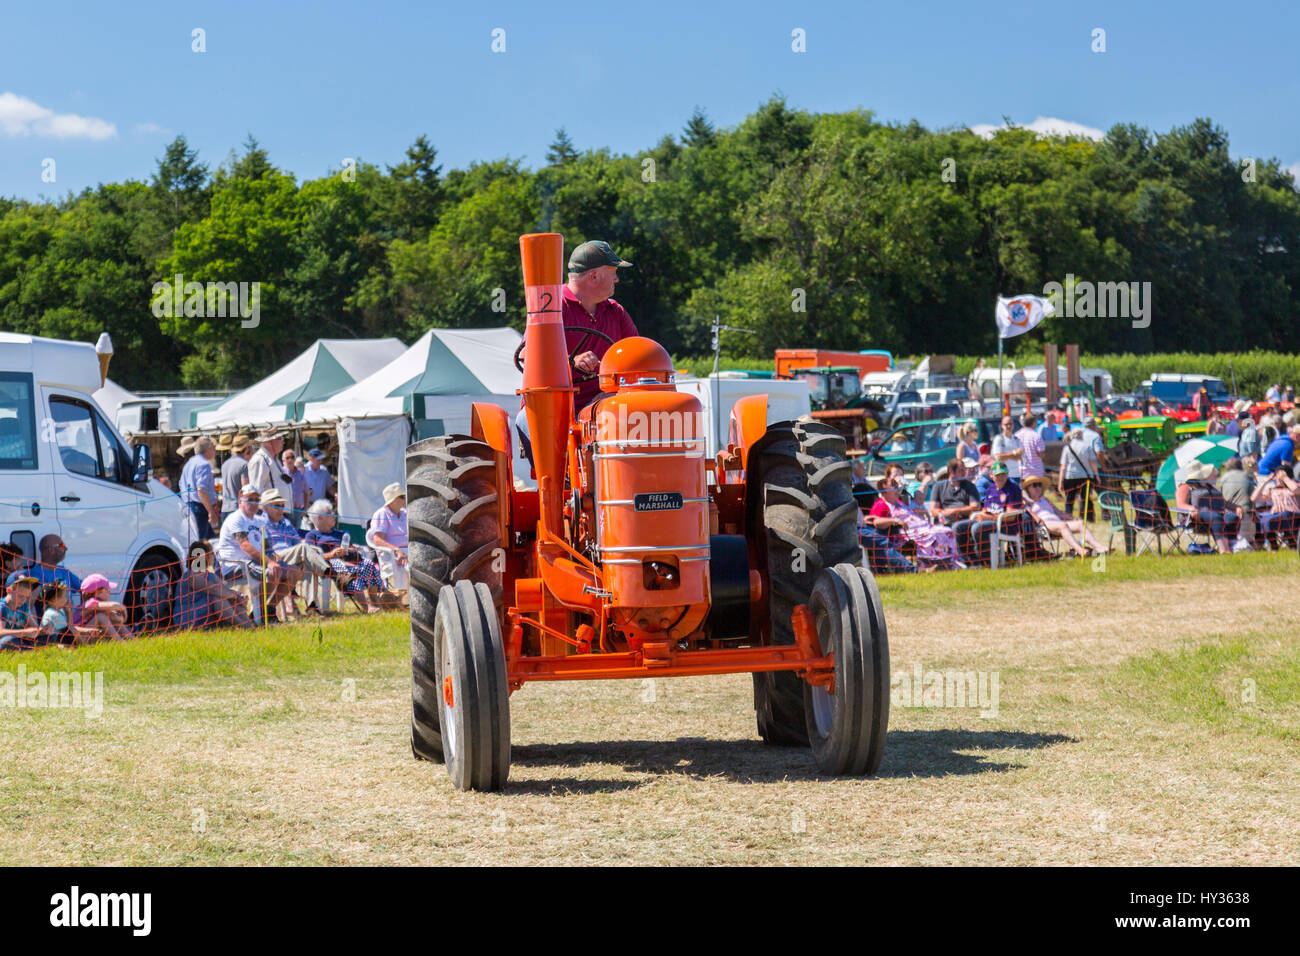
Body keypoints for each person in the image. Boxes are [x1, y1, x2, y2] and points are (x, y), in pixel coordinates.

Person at [515, 240, 638, 461]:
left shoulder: (615, 312)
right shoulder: (552, 304)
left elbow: (638, 356)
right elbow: (526, 354)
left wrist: (611, 393)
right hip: (555, 406)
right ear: (594, 276)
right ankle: (554, 486)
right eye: (614, 273)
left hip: (603, 402)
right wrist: (570, 361)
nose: (617, 279)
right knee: (533, 420)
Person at [216, 487, 293, 622]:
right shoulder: (236, 518)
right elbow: (245, 545)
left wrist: (274, 557)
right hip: (235, 565)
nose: (253, 503)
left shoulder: (260, 521)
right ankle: (261, 615)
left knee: (293, 572)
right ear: (240, 499)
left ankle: (267, 609)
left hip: (255, 563)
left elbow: (267, 547)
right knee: (272, 572)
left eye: (256, 500)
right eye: (249, 499)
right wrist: (269, 562)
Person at [255, 490, 328, 620]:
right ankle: (330, 572)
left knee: (308, 564)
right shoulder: (260, 523)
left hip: (292, 557)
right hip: (273, 558)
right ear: (265, 508)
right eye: (276, 506)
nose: (280, 509)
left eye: (282, 506)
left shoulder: (286, 523)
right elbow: (261, 548)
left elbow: (297, 543)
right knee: (304, 549)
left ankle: (312, 607)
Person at [303, 500, 385, 613]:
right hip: (328, 565)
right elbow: (311, 556)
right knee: (346, 568)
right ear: (320, 518)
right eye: (329, 513)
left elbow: (352, 548)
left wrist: (348, 551)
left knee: (368, 563)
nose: (334, 515)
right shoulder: (312, 535)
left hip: (349, 561)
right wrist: (332, 554)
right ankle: (367, 607)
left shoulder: (340, 533)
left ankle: (376, 603)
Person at [869, 483, 956, 568]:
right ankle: (929, 564)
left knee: (947, 531)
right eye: (893, 486)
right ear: (885, 491)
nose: (897, 489)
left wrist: (920, 512)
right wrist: (895, 520)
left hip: (920, 526)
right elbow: (876, 522)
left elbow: (909, 513)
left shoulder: (899, 502)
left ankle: (949, 562)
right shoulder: (880, 504)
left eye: (896, 486)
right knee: (933, 534)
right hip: (905, 533)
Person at [173, 541, 253, 630]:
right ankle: (243, 626)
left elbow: (224, 590)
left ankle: (249, 625)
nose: (213, 556)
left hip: (204, 613)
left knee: (232, 598)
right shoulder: (191, 576)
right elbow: (214, 589)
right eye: (210, 553)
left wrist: (239, 595)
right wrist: (234, 595)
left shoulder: (210, 575)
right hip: (186, 618)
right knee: (217, 598)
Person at [1022, 475, 1107, 557]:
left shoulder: (1045, 500)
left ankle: (1098, 546)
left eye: (1039, 485)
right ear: (1028, 489)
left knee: (1080, 523)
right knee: (1063, 525)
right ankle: (1079, 550)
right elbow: (1029, 514)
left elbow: (1058, 512)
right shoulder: (1027, 502)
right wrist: (1039, 520)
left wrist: (1071, 518)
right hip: (1043, 525)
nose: (1038, 488)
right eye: (1034, 485)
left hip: (1057, 522)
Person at [968, 462, 1029, 565]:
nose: (1000, 477)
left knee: (977, 528)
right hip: (994, 521)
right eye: (997, 475)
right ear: (991, 475)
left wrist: (987, 517)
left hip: (1008, 526)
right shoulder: (991, 488)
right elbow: (986, 510)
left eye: (1003, 474)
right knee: (964, 526)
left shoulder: (1013, 489)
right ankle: (970, 561)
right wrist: (981, 516)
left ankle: (987, 562)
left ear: (1007, 474)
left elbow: (1011, 517)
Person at [1175, 460, 1239, 554]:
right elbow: (1180, 504)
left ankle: (1232, 546)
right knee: (1215, 517)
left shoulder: (1211, 487)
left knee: (1233, 517)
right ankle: (1224, 549)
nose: (1214, 475)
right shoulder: (1186, 486)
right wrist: (1192, 509)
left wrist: (1237, 508)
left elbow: (1224, 503)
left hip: (1216, 515)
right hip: (1195, 517)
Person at [928, 457, 982, 565]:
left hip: (965, 519)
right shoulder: (939, 486)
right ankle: (939, 561)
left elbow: (975, 507)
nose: (965, 472)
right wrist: (944, 514)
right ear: (951, 471)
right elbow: (934, 510)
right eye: (961, 470)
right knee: (939, 529)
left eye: (964, 469)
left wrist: (955, 511)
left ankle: (962, 560)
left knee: (956, 527)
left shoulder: (970, 487)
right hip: (945, 520)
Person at [1058, 420, 1104, 521]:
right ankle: (1088, 519)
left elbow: (1063, 466)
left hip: (1070, 476)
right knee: (1086, 499)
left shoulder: (1067, 448)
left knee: (1069, 500)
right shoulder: (1087, 447)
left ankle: (1068, 517)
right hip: (1085, 476)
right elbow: (1093, 463)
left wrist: (1060, 481)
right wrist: (1096, 476)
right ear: (1081, 435)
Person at [370, 482, 409, 592]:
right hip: (392, 553)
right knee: (412, 567)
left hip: (409, 550)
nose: (405, 498)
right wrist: (397, 550)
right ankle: (403, 595)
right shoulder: (382, 514)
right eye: (402, 497)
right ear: (395, 500)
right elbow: (377, 540)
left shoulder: (404, 513)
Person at [179, 436, 221, 539]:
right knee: (201, 542)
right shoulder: (204, 464)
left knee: (198, 540)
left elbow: (181, 484)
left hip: (188, 505)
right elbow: (201, 490)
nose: (215, 451)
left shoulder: (189, 463)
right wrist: (211, 512)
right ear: (209, 448)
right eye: (214, 448)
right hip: (199, 508)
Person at [1249, 467, 1300, 549]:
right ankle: (1273, 545)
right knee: (1265, 520)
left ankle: (1292, 543)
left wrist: (1285, 478)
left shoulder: (1295, 485)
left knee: (1285, 515)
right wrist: (1265, 482)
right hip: (1277, 515)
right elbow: (1254, 498)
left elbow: (1295, 489)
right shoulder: (1273, 490)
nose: (1277, 479)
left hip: (1293, 514)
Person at [0, 572, 48, 649]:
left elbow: (34, 627)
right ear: (8, 590)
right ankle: (29, 648)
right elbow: (1, 632)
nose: (23, 600)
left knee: (49, 637)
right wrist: (24, 632)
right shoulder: (2, 607)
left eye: (26, 597)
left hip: (21, 639)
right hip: (6, 639)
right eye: (20, 596)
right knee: (8, 640)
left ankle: (28, 648)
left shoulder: (24, 606)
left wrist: (41, 630)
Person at [246, 429, 294, 505]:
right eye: (279, 439)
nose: (283, 442)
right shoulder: (260, 460)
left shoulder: (275, 459)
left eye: (282, 438)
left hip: (281, 511)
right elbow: (256, 490)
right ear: (268, 442)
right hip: (270, 512)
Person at [1218, 456, 1256, 551]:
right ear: (1240, 466)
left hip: (1227, 513)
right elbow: (1253, 496)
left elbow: (1221, 496)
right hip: (1246, 513)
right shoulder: (1247, 476)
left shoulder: (1223, 479)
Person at [77, 573, 131, 640]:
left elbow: (117, 619)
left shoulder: (99, 607)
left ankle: (133, 640)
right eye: (107, 590)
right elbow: (113, 605)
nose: (109, 592)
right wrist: (123, 608)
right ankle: (121, 642)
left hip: (91, 634)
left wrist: (119, 619)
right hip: (80, 637)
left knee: (110, 619)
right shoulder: (89, 604)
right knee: (100, 617)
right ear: (98, 593)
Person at [220, 434, 253, 517]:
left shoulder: (225, 464)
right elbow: (245, 488)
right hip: (238, 509)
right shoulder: (244, 464)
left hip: (225, 508)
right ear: (247, 449)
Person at [1014, 412, 1046, 479]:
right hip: (1036, 472)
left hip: (1021, 471)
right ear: (1034, 423)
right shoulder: (1036, 436)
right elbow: (1041, 454)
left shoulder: (1016, 435)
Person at [281, 448, 308, 523]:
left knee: (297, 533)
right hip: (285, 511)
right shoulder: (281, 472)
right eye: (287, 458)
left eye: (292, 457)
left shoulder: (300, 473)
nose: (290, 460)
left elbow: (306, 491)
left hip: (298, 510)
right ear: (283, 461)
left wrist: (305, 508)